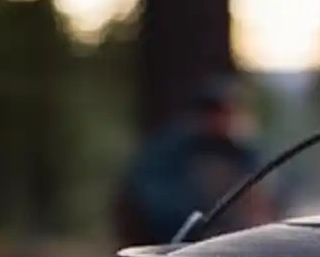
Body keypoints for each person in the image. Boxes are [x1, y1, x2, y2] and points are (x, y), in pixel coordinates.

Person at [115, 77, 275, 245]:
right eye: (219, 112)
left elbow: (261, 193)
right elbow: (155, 202)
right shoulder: (168, 151)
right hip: (171, 241)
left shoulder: (240, 151)